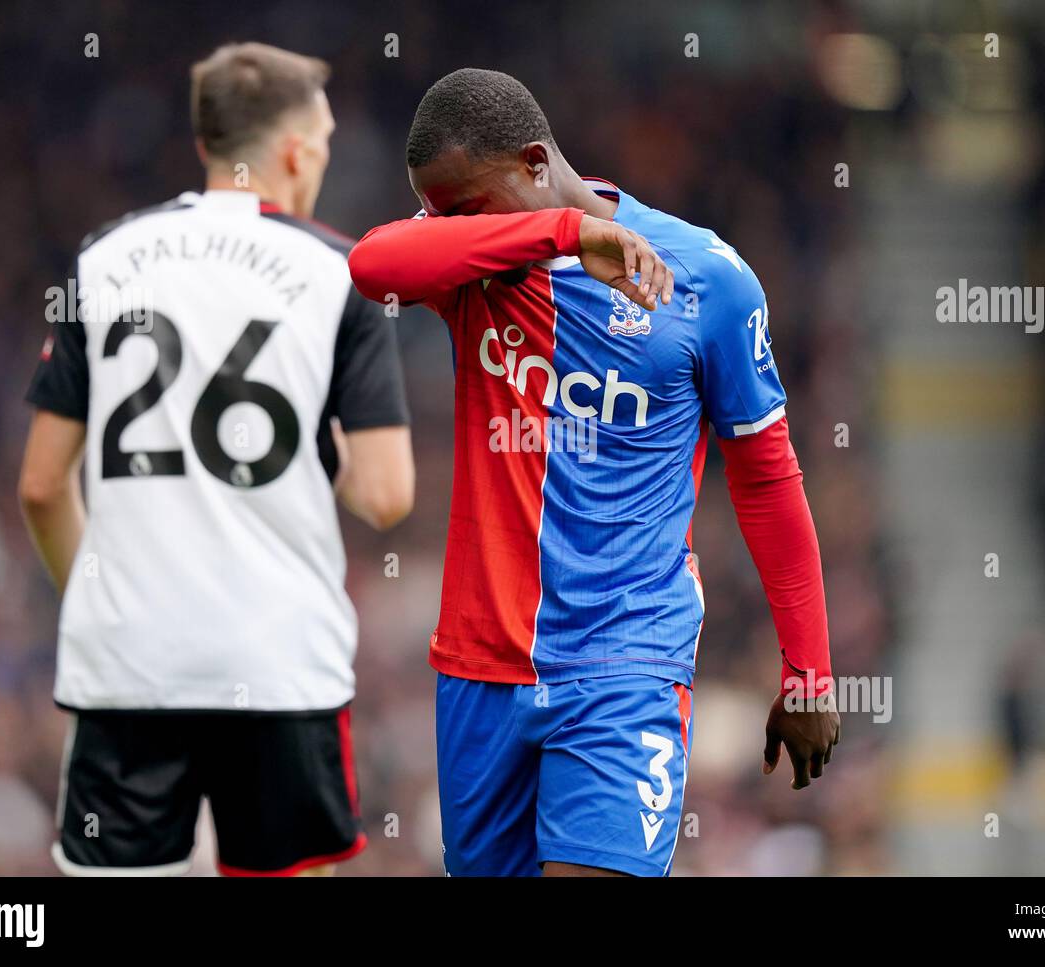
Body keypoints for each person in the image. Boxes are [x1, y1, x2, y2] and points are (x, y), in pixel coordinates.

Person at [349, 67, 839, 877]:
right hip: (479, 669)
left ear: (537, 162)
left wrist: (810, 670)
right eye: (439, 216)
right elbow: (372, 264)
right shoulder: (475, 260)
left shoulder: (707, 278)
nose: (455, 230)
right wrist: (561, 236)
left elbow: (766, 479)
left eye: (466, 209)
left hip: (624, 658)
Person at [18, 42, 413, 876]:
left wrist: (94, 594)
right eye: (328, 144)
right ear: (298, 150)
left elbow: (42, 483)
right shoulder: (343, 272)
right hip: (276, 665)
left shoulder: (104, 257)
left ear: (207, 144)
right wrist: (314, 433)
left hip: (129, 666)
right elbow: (385, 496)